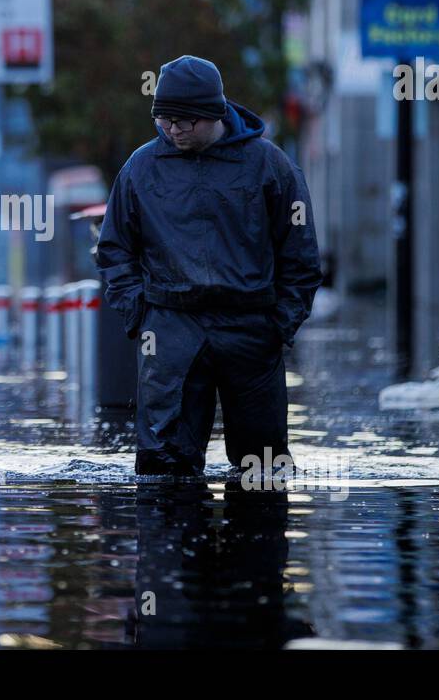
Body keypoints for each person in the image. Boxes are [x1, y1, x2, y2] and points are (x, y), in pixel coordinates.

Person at [95, 54, 322, 479]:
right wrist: (141, 318)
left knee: (264, 470)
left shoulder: (270, 166)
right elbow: (114, 249)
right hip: (170, 329)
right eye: (165, 120)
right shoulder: (141, 168)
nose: (174, 130)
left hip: (252, 327)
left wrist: (280, 326)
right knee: (163, 471)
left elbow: (301, 254)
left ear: (214, 114)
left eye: (185, 121)